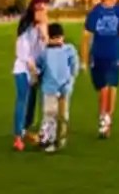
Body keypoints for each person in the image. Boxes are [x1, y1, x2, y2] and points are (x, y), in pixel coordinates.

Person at [82, 0, 119, 138]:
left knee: (111, 87)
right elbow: (87, 35)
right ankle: (103, 116)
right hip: (98, 55)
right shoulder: (95, 12)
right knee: (102, 89)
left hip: (114, 55)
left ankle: (106, 119)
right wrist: (84, 59)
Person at [33, 22, 79, 153]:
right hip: (50, 88)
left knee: (63, 114)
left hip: (64, 87)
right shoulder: (45, 53)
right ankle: (48, 139)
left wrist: (69, 83)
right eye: (54, 38)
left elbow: (74, 67)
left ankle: (61, 139)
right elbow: (39, 67)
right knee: (49, 113)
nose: (57, 40)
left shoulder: (69, 50)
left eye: (59, 37)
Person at [10, 0, 49, 151]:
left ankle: (25, 129)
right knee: (22, 100)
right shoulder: (25, 29)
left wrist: (43, 33)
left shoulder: (43, 27)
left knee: (32, 103)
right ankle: (17, 137)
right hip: (23, 70)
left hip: (36, 70)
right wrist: (33, 71)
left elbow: (45, 49)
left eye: (43, 9)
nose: (42, 12)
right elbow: (23, 53)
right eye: (38, 9)